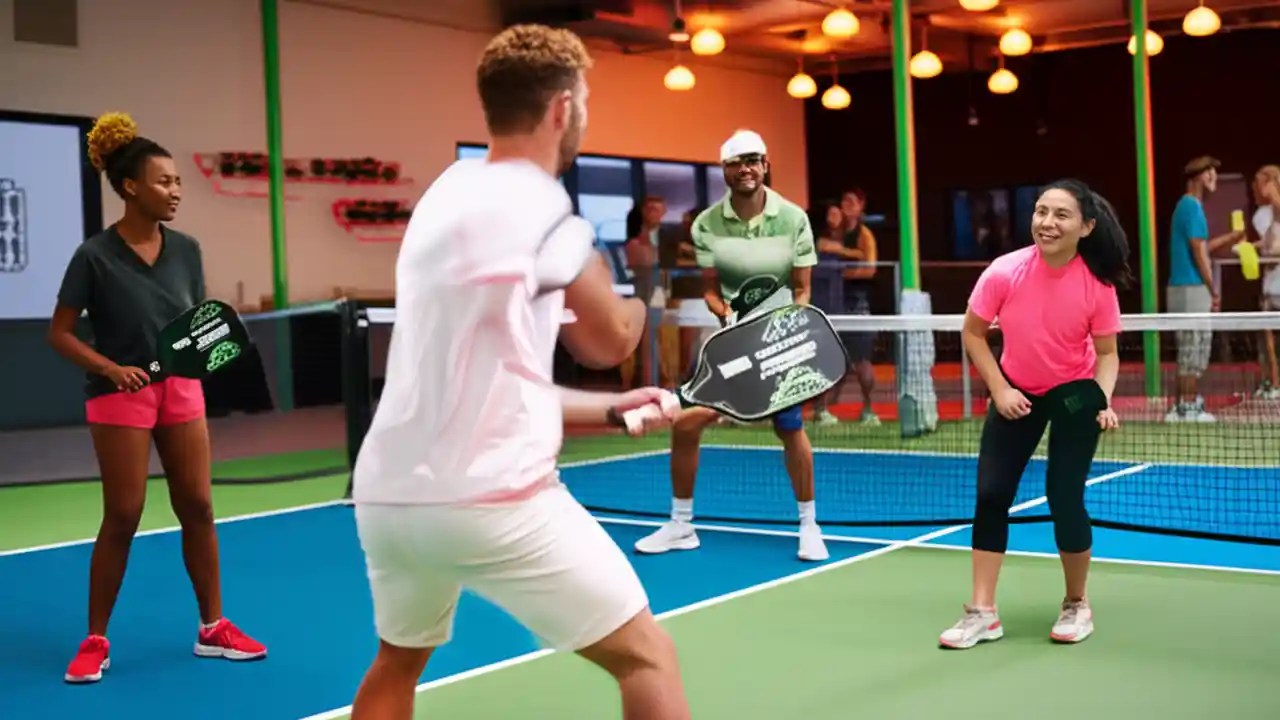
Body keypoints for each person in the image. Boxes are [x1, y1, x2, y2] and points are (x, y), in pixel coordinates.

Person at [347, 25, 689, 720]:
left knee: (398, 661)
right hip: (494, 499)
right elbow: (609, 342)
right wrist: (643, 293)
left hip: (388, 498)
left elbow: (497, 379)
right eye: (584, 100)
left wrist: (610, 409)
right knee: (647, 657)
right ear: (563, 108)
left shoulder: (444, 196)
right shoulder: (545, 211)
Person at [48, 112, 266, 684]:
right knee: (124, 514)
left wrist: (210, 351)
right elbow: (60, 333)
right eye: (164, 181)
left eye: (178, 182)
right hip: (118, 395)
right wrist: (109, 368)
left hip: (181, 390)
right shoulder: (93, 256)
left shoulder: (187, 250)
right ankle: (96, 640)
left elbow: (194, 324)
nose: (175, 191)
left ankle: (213, 628)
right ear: (130, 188)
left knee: (198, 505)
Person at [938, 179, 1130, 650]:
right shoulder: (1005, 271)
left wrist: (1101, 399)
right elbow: (973, 333)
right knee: (991, 495)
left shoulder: (1096, 284)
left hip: (1073, 395)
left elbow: (1107, 354)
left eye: (1061, 215)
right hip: (1016, 390)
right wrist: (1000, 389)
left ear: (1086, 226)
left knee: (1064, 497)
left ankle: (1076, 603)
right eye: (1041, 211)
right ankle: (982, 612)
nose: (1047, 222)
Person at [632, 129, 830, 563]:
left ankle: (809, 525)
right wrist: (726, 315)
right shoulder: (706, 225)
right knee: (686, 424)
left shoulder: (793, 218)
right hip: (734, 345)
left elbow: (802, 289)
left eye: (753, 160)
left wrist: (785, 331)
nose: (746, 169)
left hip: (780, 345)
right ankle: (681, 526)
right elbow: (710, 288)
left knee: (789, 429)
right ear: (724, 170)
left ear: (765, 165)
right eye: (736, 162)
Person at [1165, 156, 1245, 422]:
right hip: (1191, 288)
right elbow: (1199, 253)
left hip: (1186, 287)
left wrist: (1230, 238)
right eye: (1208, 172)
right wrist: (1214, 290)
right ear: (1196, 177)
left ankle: (1184, 405)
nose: (1213, 177)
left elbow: (1202, 247)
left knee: (1191, 350)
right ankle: (1187, 407)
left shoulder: (1187, 207)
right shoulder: (1191, 206)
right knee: (1192, 350)